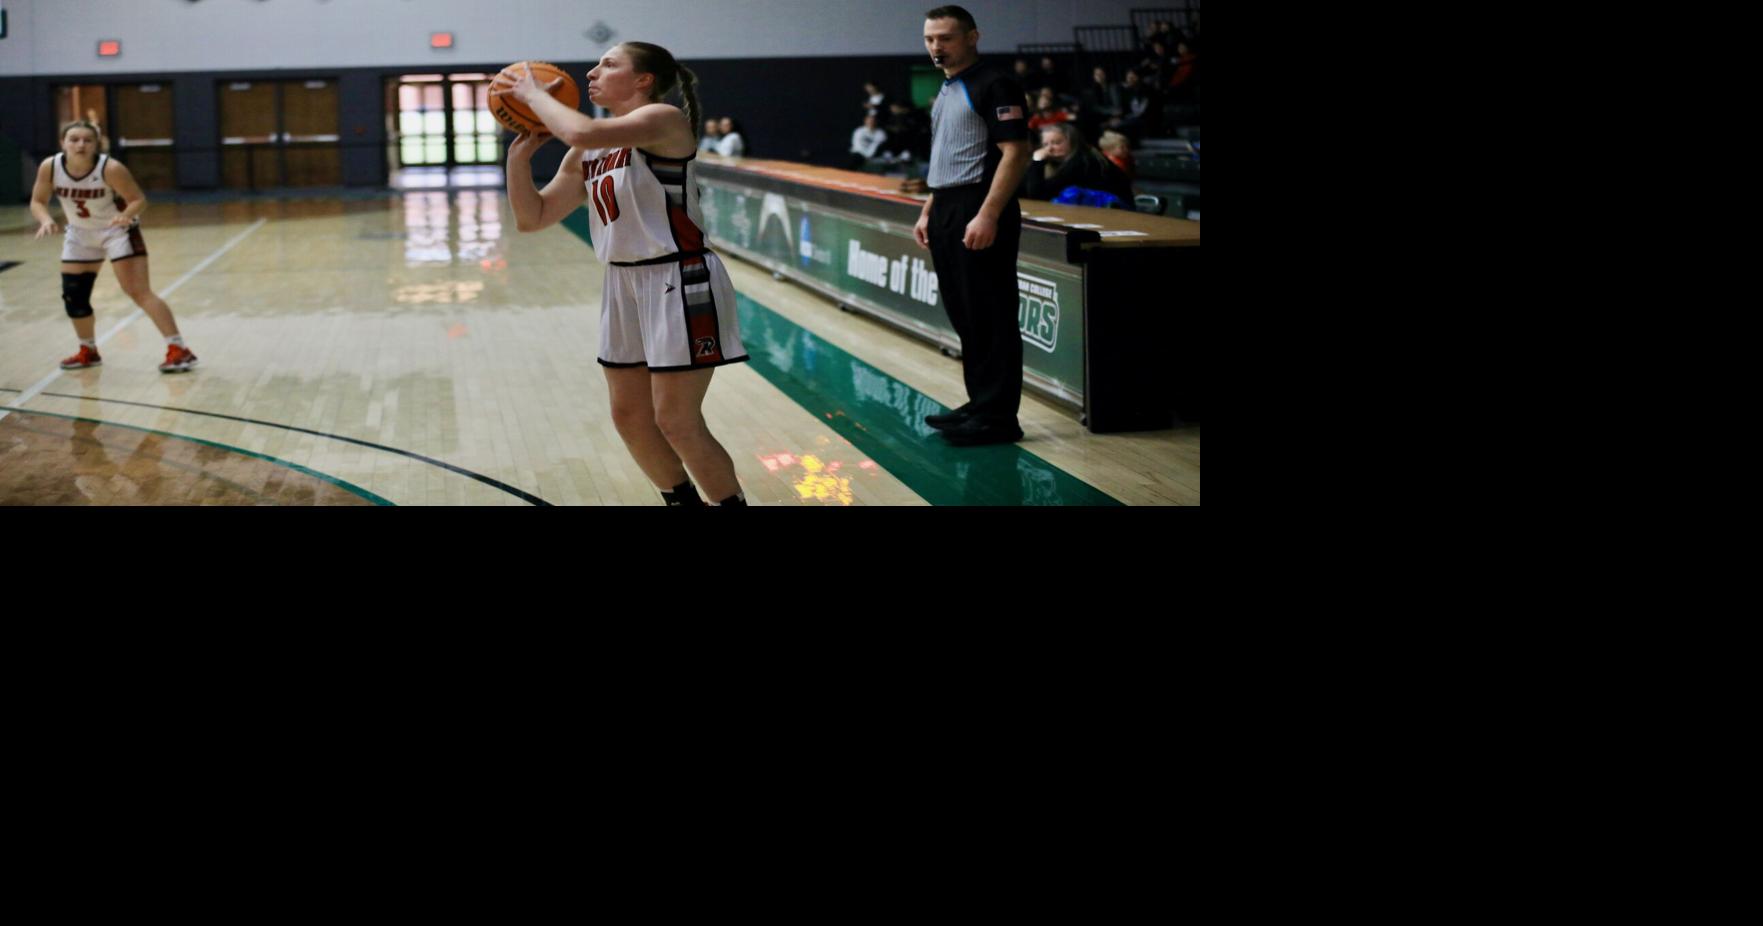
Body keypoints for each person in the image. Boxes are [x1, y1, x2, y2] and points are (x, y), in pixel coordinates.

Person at [493, 44, 751, 507]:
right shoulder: (586, 150)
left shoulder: (663, 119)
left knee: (677, 421)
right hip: (621, 282)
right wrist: (519, 160)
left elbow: (582, 127)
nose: (592, 72)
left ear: (643, 80)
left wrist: (533, 94)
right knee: (630, 416)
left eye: (609, 64)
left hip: (679, 277)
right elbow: (532, 217)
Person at [915, 5, 1031, 447]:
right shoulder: (948, 89)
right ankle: (982, 403)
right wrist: (928, 209)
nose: (935, 46)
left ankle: (999, 417)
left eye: (944, 38)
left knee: (991, 312)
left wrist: (988, 213)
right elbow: (947, 154)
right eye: (929, 39)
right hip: (947, 204)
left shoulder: (994, 83)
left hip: (977, 206)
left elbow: (1015, 153)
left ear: (972, 37)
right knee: (966, 312)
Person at [31, 120, 198, 373]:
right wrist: (45, 220)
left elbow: (138, 199)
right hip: (79, 234)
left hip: (116, 231)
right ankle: (88, 350)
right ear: (62, 143)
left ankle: (179, 349)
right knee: (74, 296)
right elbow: (38, 201)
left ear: (96, 144)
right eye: (74, 139)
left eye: (87, 140)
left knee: (138, 291)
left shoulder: (110, 168)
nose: (80, 144)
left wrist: (126, 215)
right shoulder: (50, 167)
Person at [1021, 122, 1132, 206]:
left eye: (1056, 143)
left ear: (1073, 142)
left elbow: (1038, 195)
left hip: (1118, 211)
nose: (1049, 149)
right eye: (1045, 144)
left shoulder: (1083, 162)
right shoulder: (1066, 161)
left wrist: (1037, 161)